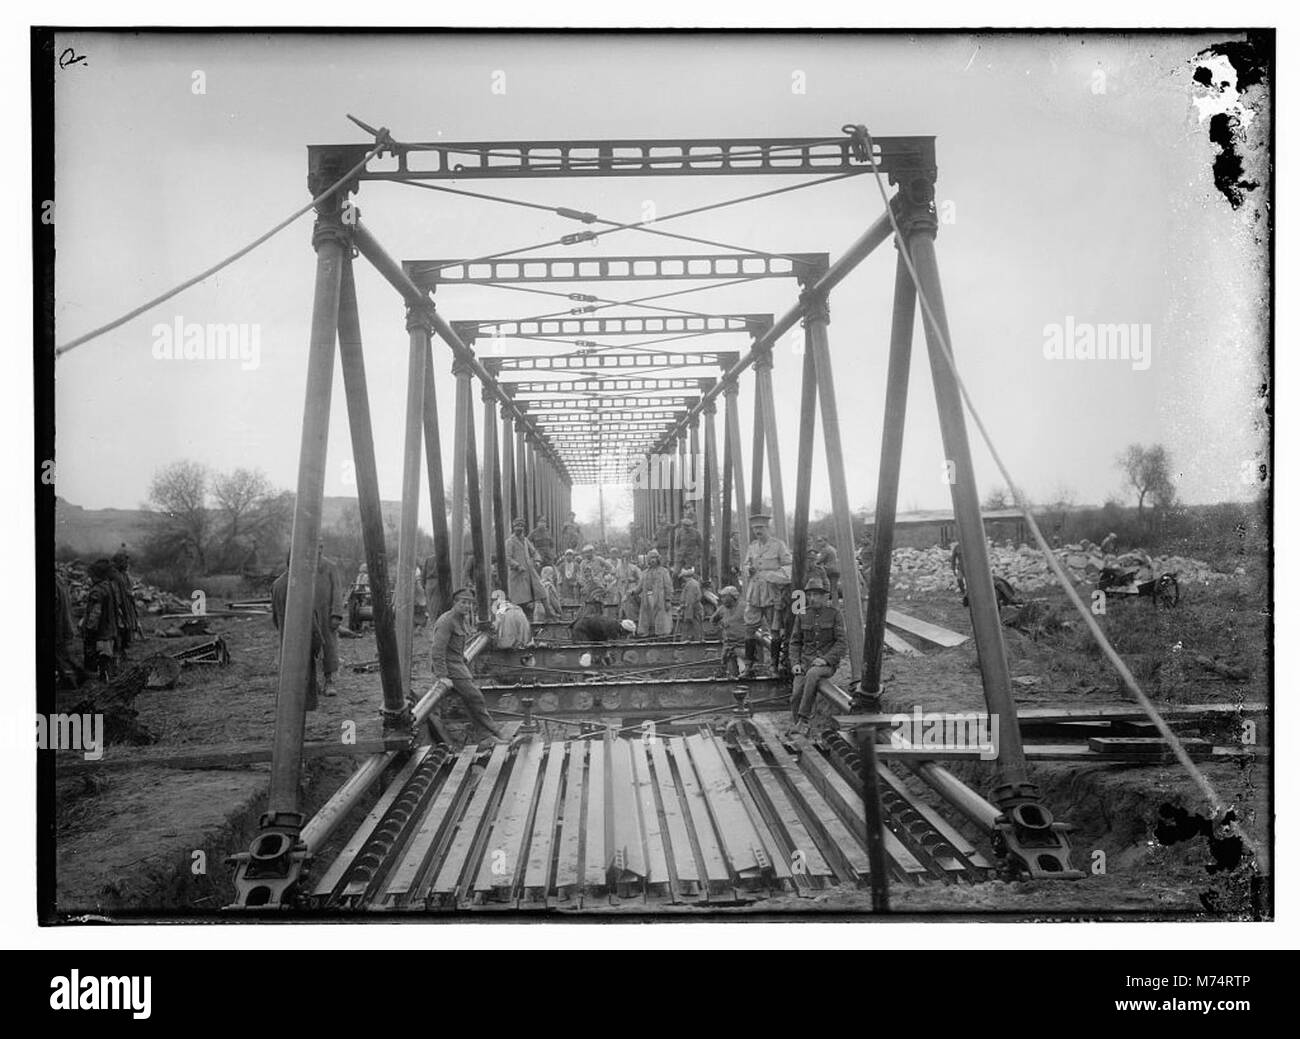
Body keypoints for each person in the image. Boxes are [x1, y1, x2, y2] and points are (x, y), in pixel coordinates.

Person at [430, 587, 509, 745]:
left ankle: (485, 736)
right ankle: (494, 732)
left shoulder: (460, 619)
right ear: (455, 603)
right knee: (476, 697)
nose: (466, 606)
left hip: (458, 664)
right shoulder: (446, 621)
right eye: (463, 602)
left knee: (471, 700)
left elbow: (457, 644)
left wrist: (463, 657)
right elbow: (437, 650)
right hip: (450, 667)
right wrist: (443, 676)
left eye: (469, 603)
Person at [787, 576, 847, 735]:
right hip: (805, 663)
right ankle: (798, 726)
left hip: (826, 665)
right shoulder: (802, 614)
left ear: (826, 596)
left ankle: (804, 718)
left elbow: (841, 643)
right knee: (795, 694)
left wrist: (826, 659)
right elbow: (795, 643)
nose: (812, 598)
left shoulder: (834, 614)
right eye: (810, 595)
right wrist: (795, 664)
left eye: (817, 595)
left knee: (813, 674)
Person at [743, 513, 792, 672]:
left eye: (761, 528)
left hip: (772, 594)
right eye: (755, 528)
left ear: (767, 528)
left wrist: (772, 576)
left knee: (775, 630)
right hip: (754, 594)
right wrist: (747, 570)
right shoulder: (752, 547)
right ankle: (748, 665)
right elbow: (745, 565)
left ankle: (774, 665)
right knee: (749, 628)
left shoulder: (778, 545)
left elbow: (789, 568)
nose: (758, 531)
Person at [80, 559, 120, 681]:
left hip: (101, 632)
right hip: (110, 629)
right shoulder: (109, 586)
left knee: (100, 658)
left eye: (91, 575)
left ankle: (103, 680)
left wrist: (89, 629)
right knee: (107, 656)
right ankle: (108, 677)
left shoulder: (97, 590)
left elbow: (95, 613)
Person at [505, 518, 543, 612]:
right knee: (517, 600)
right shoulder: (510, 541)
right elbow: (508, 558)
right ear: (513, 528)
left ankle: (528, 620)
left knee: (528, 599)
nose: (519, 528)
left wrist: (537, 560)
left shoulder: (526, 540)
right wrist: (517, 566)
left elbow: (534, 552)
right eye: (517, 526)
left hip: (527, 573)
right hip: (516, 574)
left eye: (521, 526)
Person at [54, 571, 84, 689]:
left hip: (59, 625)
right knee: (66, 654)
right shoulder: (60, 580)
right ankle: (80, 674)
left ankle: (70, 681)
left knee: (61, 656)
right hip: (66, 623)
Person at [109, 550, 142, 656]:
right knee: (120, 627)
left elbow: (127, 588)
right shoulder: (114, 576)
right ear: (120, 562)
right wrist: (118, 606)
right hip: (119, 605)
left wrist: (131, 593)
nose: (127, 565)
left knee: (127, 626)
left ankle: (123, 649)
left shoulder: (123, 575)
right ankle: (117, 652)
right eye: (125, 562)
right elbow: (116, 592)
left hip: (127, 603)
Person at [709, 585, 748, 676]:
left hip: (743, 644)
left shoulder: (744, 607)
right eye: (721, 597)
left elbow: (757, 621)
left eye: (724, 596)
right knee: (730, 669)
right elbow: (713, 620)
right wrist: (720, 626)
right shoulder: (722, 609)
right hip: (729, 644)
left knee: (745, 668)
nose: (722, 599)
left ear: (732, 597)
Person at [637, 549, 674, 637]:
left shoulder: (664, 571)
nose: (653, 560)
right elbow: (639, 587)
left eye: (654, 558)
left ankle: (661, 634)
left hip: (660, 598)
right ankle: (648, 633)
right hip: (647, 597)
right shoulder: (644, 573)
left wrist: (668, 600)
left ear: (658, 559)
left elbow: (668, 587)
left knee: (660, 616)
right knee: (647, 615)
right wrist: (632, 592)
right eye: (651, 558)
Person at [812, 535, 841, 604]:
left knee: (826, 588)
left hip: (829, 570)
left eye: (820, 541)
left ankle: (825, 604)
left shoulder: (826, 549)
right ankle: (835, 604)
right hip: (835, 570)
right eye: (818, 541)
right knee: (834, 589)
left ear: (826, 541)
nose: (819, 543)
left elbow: (819, 561)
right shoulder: (832, 548)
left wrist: (814, 562)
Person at [673, 513, 702, 580]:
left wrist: (696, 555)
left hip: (691, 558)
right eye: (684, 525)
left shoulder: (696, 533)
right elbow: (677, 543)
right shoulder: (680, 532)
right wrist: (677, 553)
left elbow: (700, 546)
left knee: (692, 576)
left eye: (687, 526)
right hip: (680, 557)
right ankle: (677, 589)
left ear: (691, 525)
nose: (685, 527)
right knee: (675, 574)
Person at [678, 567, 703, 640]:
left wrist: (685, 609)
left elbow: (690, 600)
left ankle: (694, 640)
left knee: (693, 624)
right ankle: (694, 639)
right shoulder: (692, 583)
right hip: (692, 608)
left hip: (692, 608)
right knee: (693, 625)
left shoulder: (691, 585)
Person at [572, 615, 636, 643]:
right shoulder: (612, 628)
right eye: (628, 634)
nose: (627, 636)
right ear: (623, 630)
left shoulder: (615, 626)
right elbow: (612, 645)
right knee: (585, 650)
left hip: (589, 629)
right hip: (581, 629)